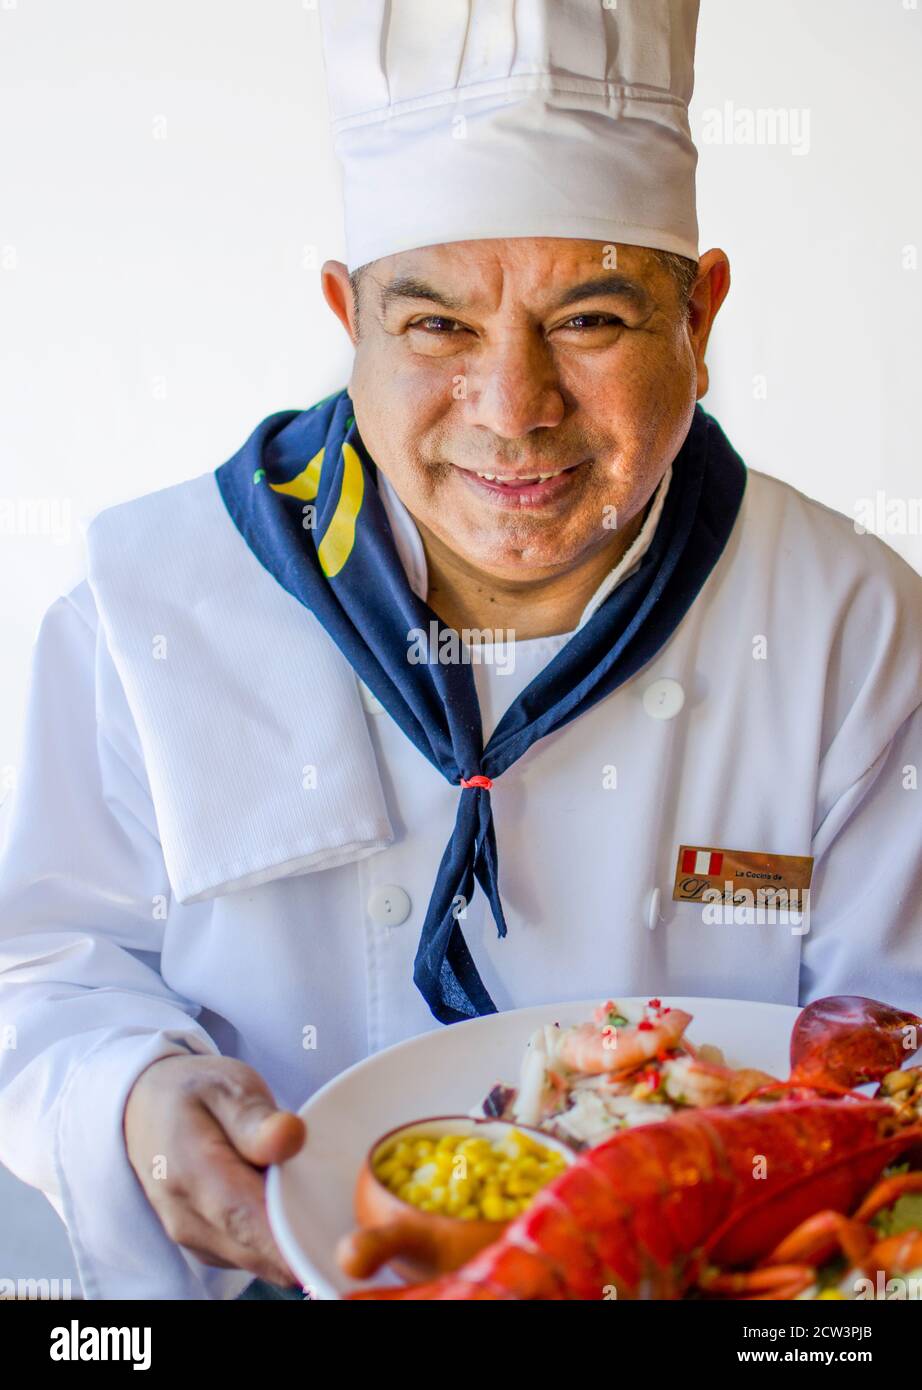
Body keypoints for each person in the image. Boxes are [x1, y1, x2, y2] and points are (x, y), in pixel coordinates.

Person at [0, 0, 920, 1301]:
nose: (511, 410)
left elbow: (892, 1073)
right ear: (348, 316)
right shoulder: (145, 602)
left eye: (590, 321)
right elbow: (44, 972)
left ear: (699, 321)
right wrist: (131, 1097)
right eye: (435, 327)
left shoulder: (852, 627)